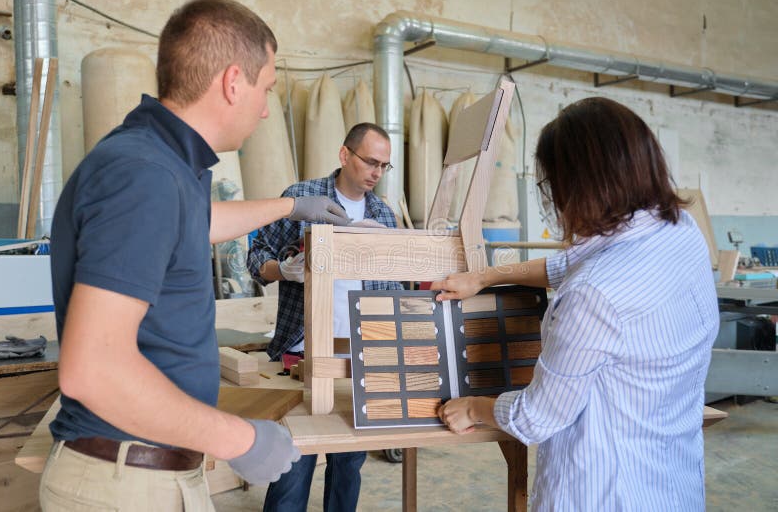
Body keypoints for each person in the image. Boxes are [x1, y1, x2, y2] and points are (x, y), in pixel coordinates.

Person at [42, 0, 350, 511]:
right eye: (266, 88)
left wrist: (292, 205)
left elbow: (201, 223)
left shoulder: (164, 166)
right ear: (233, 82)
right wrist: (240, 441)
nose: (265, 108)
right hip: (122, 482)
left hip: (145, 472)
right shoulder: (145, 174)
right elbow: (90, 367)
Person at [433, 97, 719, 510]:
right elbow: (572, 262)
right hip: (672, 484)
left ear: (578, 187)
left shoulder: (594, 295)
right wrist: (485, 276)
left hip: (603, 491)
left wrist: (474, 409)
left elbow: (537, 417)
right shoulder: (681, 233)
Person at [247, 122, 402, 512]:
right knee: (293, 469)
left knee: (348, 469)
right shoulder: (301, 198)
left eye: (385, 166)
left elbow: (393, 290)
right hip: (302, 355)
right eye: (370, 162)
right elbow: (255, 255)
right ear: (344, 154)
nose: (376, 173)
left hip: (359, 360)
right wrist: (281, 270)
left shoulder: (383, 215)